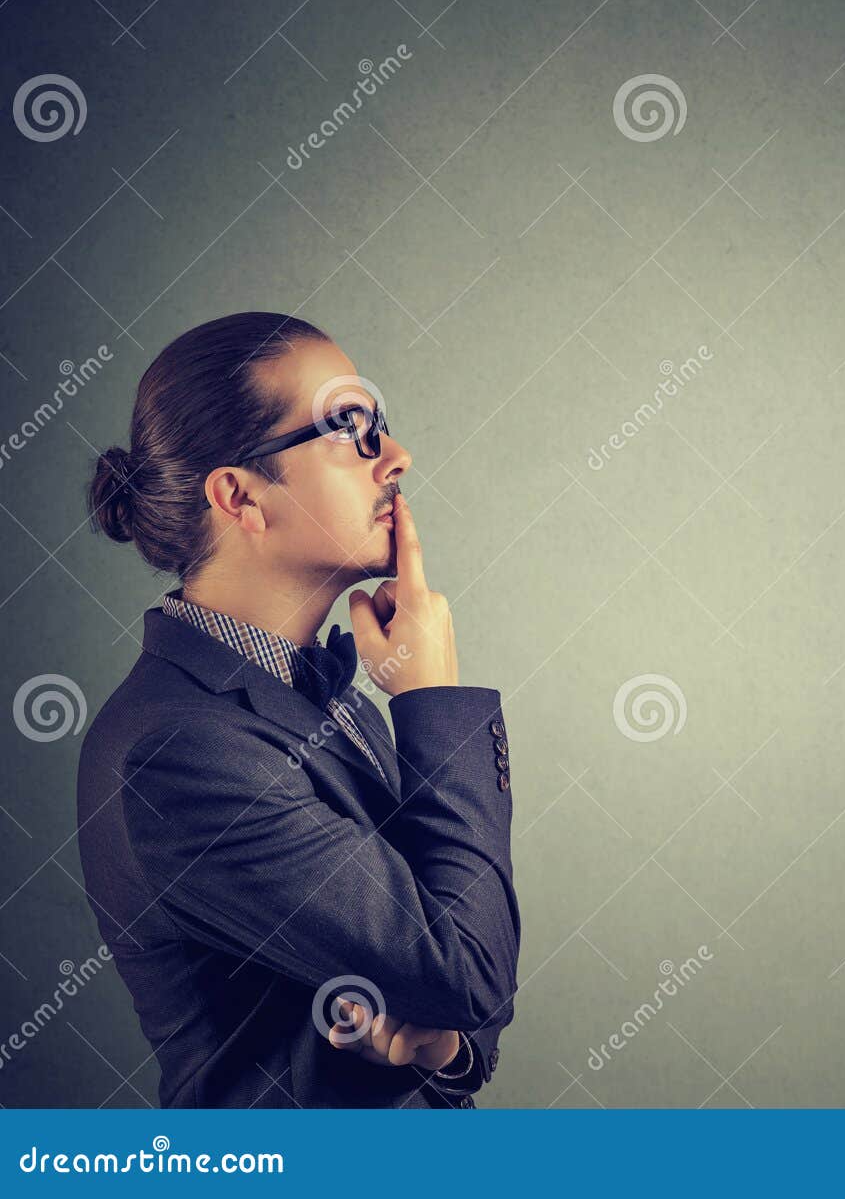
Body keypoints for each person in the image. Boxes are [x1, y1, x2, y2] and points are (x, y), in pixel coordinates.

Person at [75, 312, 520, 1107]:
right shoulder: (176, 752)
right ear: (241, 496)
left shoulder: (331, 702)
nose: (397, 456)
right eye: (350, 428)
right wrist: (434, 698)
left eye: (380, 424)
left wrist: (446, 1046)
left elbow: (456, 978)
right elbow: (468, 969)